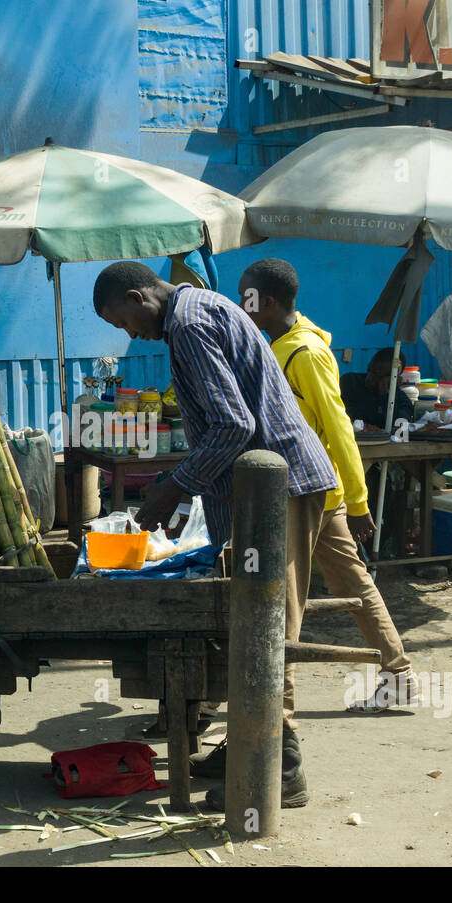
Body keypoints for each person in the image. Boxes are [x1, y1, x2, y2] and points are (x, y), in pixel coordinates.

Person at [92, 261, 339, 809]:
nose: (130, 334)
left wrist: (175, 486)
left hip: (280, 487)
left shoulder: (189, 324)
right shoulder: (199, 309)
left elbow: (234, 426)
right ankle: (249, 742)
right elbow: (224, 426)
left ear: (138, 296)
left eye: (123, 321)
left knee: (267, 627)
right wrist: (177, 484)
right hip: (256, 492)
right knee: (245, 620)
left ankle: (281, 767)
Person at [236, 258, 419, 718]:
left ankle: (278, 713)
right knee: (353, 583)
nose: (242, 306)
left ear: (270, 301)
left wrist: (358, 501)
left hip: (307, 495)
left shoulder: (305, 354)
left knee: (284, 600)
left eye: (248, 299)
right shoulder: (281, 345)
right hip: (311, 492)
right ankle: (399, 676)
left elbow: (339, 431)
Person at [340, 348, 413, 428]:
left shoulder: (401, 401)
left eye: (377, 374)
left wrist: (385, 396)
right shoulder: (350, 382)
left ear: (392, 378)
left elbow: (399, 430)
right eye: (369, 370)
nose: (369, 377)